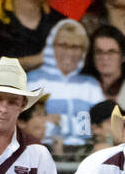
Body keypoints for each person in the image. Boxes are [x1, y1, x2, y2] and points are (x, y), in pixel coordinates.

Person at [27, 20, 104, 153]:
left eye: (75, 47)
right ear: (51, 46)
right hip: (41, 153)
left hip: (84, 155)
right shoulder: (33, 80)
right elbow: (30, 126)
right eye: (63, 45)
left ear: (83, 51)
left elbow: (102, 128)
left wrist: (58, 120)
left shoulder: (91, 85)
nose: (69, 52)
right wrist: (81, 122)